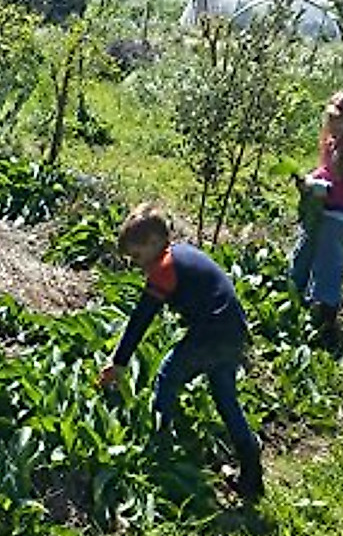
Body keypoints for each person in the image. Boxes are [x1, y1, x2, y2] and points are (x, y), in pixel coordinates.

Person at [98, 204, 264, 500]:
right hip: (233, 331)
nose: (136, 264)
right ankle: (252, 473)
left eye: (137, 255)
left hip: (211, 335)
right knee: (225, 398)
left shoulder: (164, 268)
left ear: (153, 243)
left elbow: (142, 317)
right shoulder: (181, 254)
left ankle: (160, 448)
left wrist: (119, 363)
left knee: (167, 375)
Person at [289, 90, 343, 340]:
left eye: (337, 120)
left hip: (339, 215)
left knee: (329, 261)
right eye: (330, 119)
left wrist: (319, 187)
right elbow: (326, 171)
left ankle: (327, 315)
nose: (332, 125)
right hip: (322, 209)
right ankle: (295, 294)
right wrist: (311, 179)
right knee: (305, 247)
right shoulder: (331, 144)